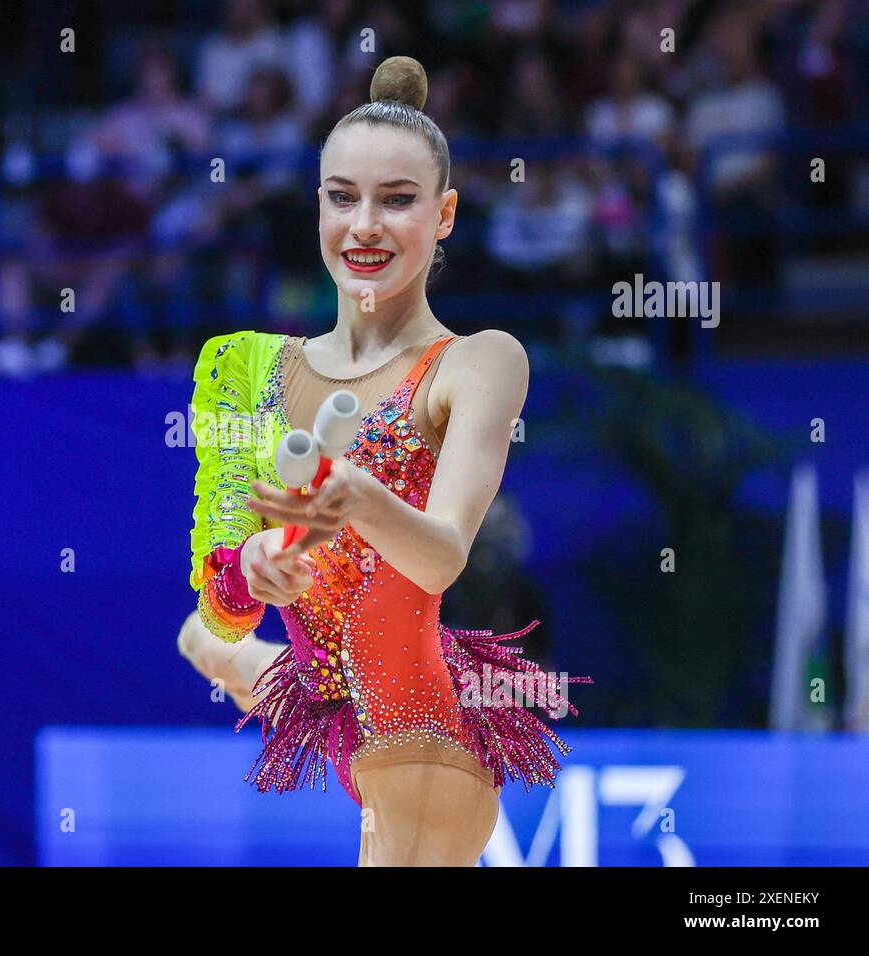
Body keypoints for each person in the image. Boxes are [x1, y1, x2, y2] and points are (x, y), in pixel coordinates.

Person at [179, 56, 589, 866]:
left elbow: (439, 557)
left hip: (425, 746)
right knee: (203, 639)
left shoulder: (476, 362)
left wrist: (355, 494)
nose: (364, 225)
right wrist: (252, 565)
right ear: (319, 204)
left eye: (397, 201)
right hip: (330, 701)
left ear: (444, 214)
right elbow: (223, 596)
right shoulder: (241, 369)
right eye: (343, 197)